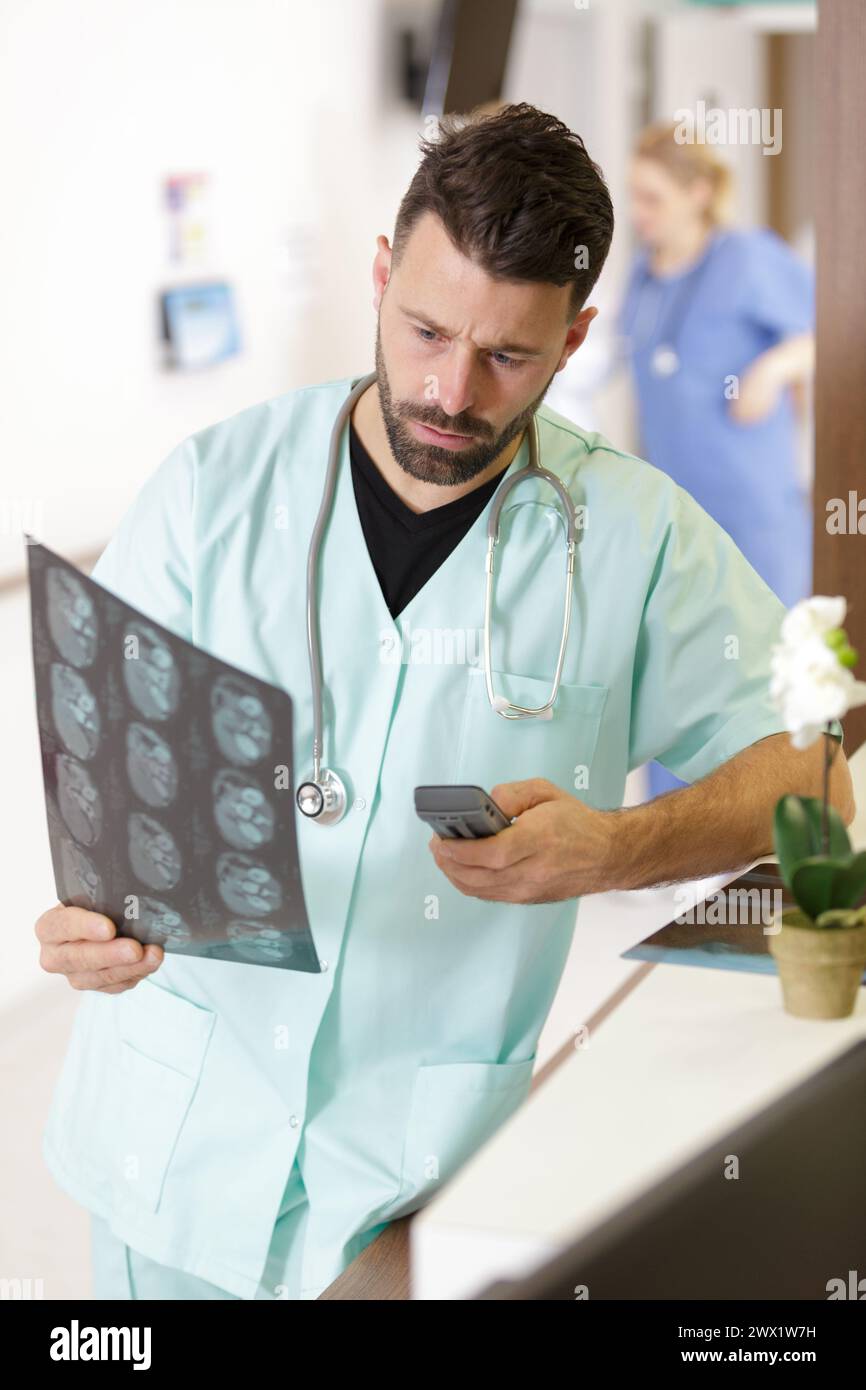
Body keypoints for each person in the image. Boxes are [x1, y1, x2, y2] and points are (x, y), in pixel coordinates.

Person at [34, 103, 854, 1302]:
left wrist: (616, 849)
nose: (449, 390)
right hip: (176, 1145)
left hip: (405, 1172)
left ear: (572, 340)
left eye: (506, 357)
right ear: (380, 274)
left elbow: (817, 766)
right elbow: (107, 802)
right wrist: (86, 930)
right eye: (423, 329)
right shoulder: (210, 490)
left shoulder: (631, 533)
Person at [618, 122, 816, 800]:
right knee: (674, 671)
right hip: (677, 508)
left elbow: (834, 327)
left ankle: (771, 827)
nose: (640, 215)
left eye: (653, 199)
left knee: (765, 675)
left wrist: (774, 367)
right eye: (635, 199)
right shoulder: (643, 275)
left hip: (753, 507)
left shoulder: (747, 257)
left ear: (699, 191)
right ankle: (680, 836)